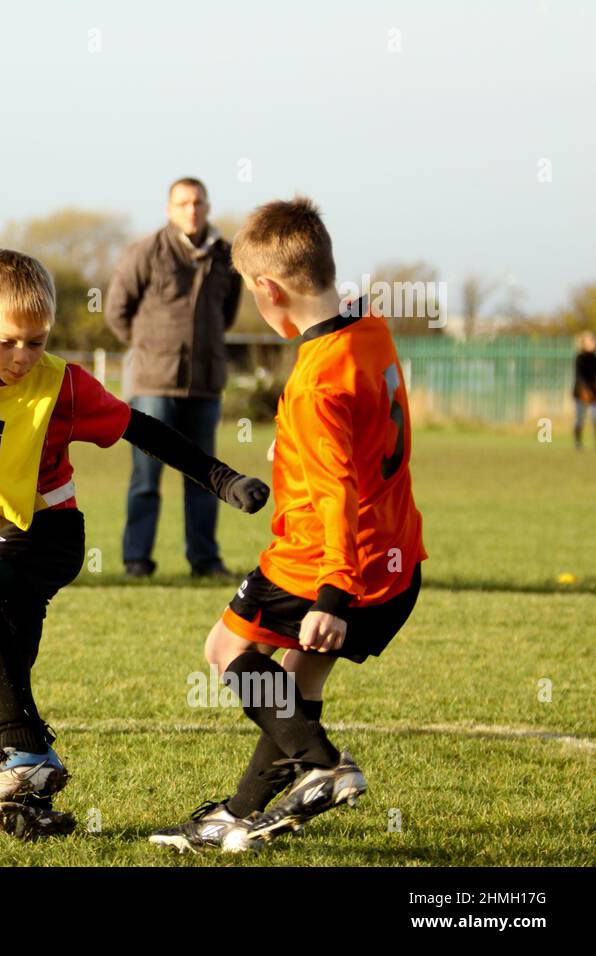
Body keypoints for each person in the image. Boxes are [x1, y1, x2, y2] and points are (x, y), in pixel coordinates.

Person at [0, 249, 268, 839]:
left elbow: (140, 428)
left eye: (36, 342)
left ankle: (26, 756)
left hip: (49, 532)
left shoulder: (60, 385)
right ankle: (31, 792)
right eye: (9, 341)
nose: (23, 357)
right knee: (11, 665)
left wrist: (221, 478)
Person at [149, 198, 426, 854]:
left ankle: (325, 766)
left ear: (267, 289)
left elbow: (336, 488)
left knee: (226, 651)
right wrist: (295, 449)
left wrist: (331, 594)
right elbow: (353, 440)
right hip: (396, 560)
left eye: (250, 288)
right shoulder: (370, 326)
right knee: (296, 686)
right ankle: (237, 814)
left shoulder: (312, 386)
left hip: (324, 560)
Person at [106, 177, 242, 579]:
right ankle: (137, 561)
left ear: (208, 206)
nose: (192, 210)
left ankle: (205, 561)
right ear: (169, 209)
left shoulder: (225, 256)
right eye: (183, 203)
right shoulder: (145, 251)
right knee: (146, 479)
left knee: (206, 477)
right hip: (152, 385)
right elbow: (116, 311)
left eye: (198, 202)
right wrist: (150, 347)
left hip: (204, 385)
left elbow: (228, 314)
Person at [573, 331, 596, 449]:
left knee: (595, 418)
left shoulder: (594, 358)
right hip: (581, 393)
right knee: (580, 419)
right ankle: (577, 443)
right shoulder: (580, 358)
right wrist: (585, 391)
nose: (593, 342)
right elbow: (580, 376)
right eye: (590, 340)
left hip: (594, 394)